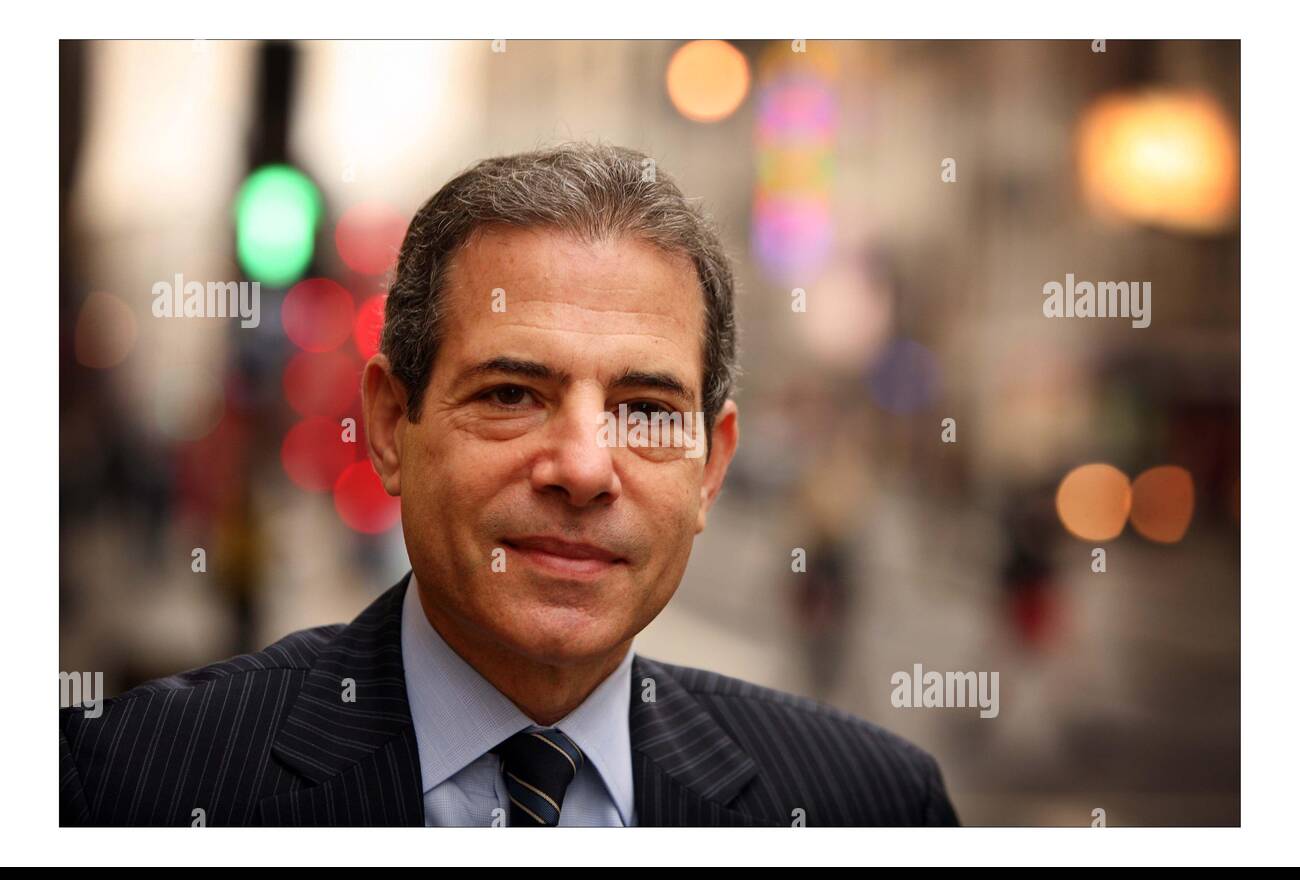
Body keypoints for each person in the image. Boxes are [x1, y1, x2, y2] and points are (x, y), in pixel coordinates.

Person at [60, 143, 959, 827]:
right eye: (511, 394)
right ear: (388, 428)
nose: (581, 467)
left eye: (645, 409)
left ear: (712, 468)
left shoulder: (872, 808)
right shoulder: (123, 789)